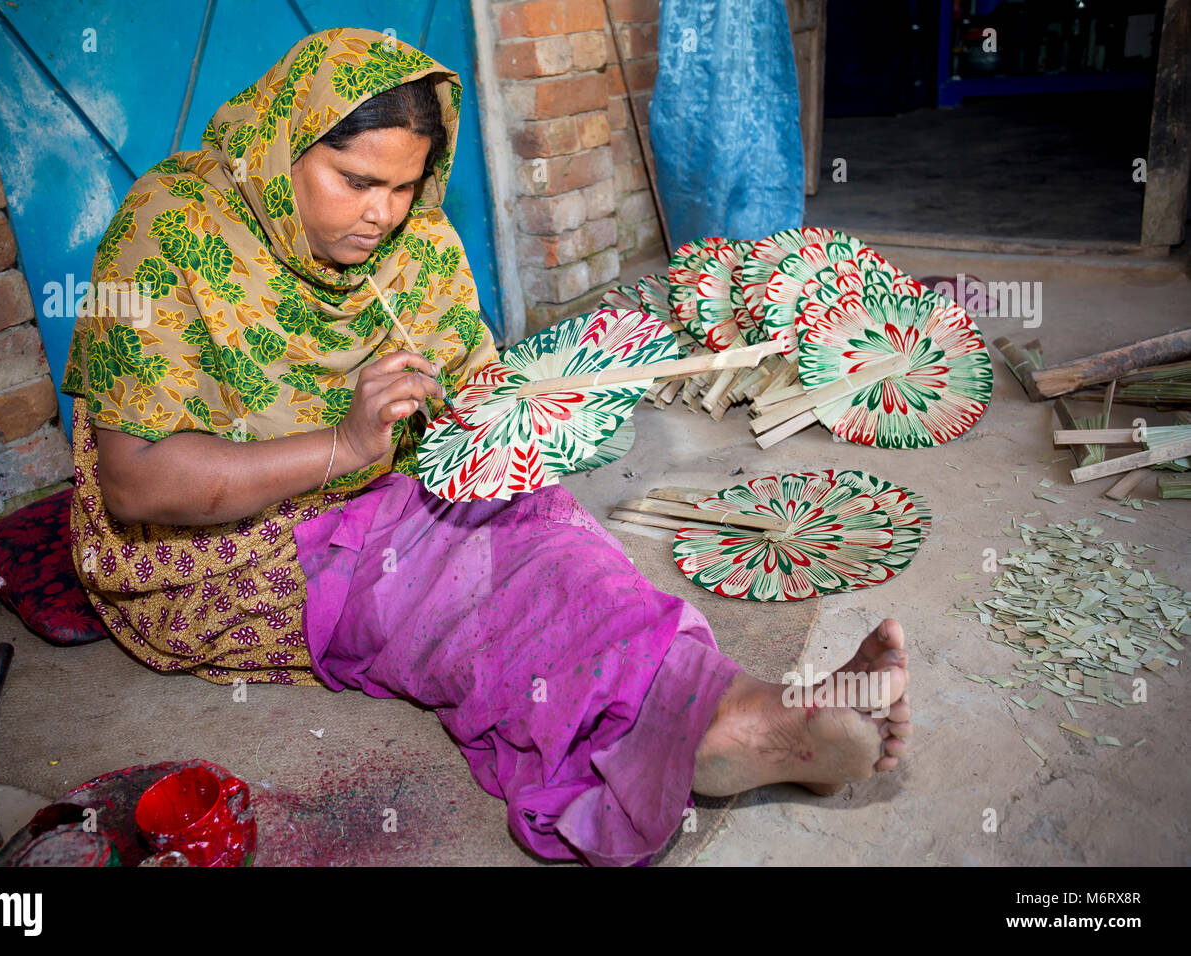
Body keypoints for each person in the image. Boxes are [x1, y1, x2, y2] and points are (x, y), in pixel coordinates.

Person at [60, 28, 911, 866]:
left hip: (383, 486)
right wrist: (344, 446)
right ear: (284, 147)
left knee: (545, 531)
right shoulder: (168, 233)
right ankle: (703, 733)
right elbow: (138, 486)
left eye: (404, 184)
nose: (380, 214)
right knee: (457, 594)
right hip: (227, 547)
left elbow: (471, 395)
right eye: (355, 181)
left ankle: (735, 704)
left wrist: (534, 405)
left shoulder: (412, 242)